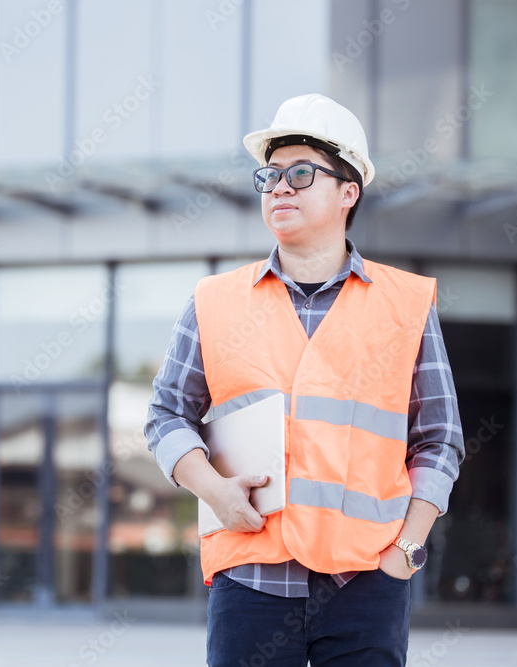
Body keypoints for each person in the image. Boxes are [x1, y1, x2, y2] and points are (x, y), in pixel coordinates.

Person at [145, 94, 465, 666]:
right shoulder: (214, 301)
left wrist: (406, 552)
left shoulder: (406, 303)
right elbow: (166, 414)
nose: (279, 187)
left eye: (300, 173)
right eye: (269, 175)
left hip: (369, 583)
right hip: (253, 580)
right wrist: (213, 490)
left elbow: (439, 441)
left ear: (349, 192)